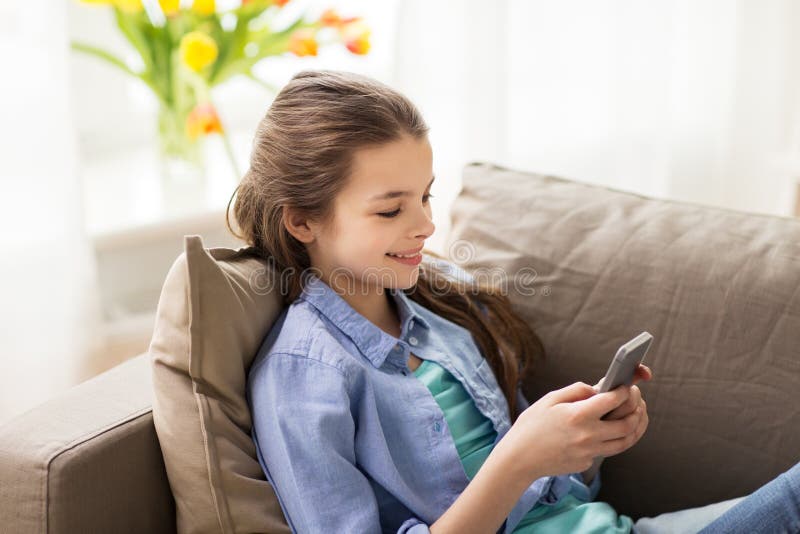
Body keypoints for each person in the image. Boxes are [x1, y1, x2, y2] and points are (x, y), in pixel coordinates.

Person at [235, 69, 800, 533]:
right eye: (391, 210)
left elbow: (554, 501)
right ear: (303, 220)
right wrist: (519, 460)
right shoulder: (301, 378)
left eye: (426, 197)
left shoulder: (442, 316)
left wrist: (586, 441)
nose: (426, 225)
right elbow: (510, 477)